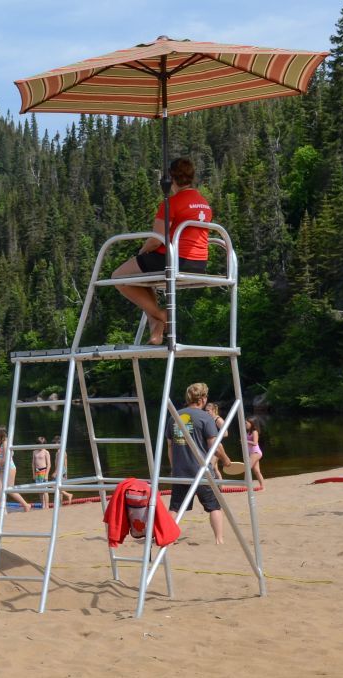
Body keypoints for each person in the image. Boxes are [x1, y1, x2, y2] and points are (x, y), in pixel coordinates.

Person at [110, 157, 213, 344]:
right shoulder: (204, 203)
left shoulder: (171, 203)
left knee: (119, 277)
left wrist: (142, 251)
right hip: (199, 263)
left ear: (170, 179)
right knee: (142, 278)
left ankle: (160, 315)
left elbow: (157, 239)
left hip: (173, 259)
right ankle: (156, 330)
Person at [167, 382, 235, 545]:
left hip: (180, 470)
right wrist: (226, 460)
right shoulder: (205, 417)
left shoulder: (174, 417)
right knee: (214, 506)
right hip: (201, 470)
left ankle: (167, 538)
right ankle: (219, 540)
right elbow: (215, 446)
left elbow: (170, 446)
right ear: (203, 399)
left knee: (175, 507)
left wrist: (173, 467)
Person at [0, 428, 32, 512]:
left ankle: (26, 505)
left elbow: (5, 458)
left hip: (9, 467)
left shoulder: (5, 443)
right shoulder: (2, 443)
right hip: (3, 468)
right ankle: (3, 510)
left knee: (9, 489)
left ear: (0, 433)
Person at [245, 418, 265, 490]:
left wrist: (245, 441)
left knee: (247, 468)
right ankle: (262, 487)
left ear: (251, 423)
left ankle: (246, 485)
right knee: (256, 471)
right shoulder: (249, 432)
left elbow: (255, 443)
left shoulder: (254, 431)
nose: (245, 425)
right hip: (252, 453)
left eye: (246, 423)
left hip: (256, 452)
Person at [31, 437, 51, 508]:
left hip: (44, 471)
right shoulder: (34, 452)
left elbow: (49, 464)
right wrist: (33, 473)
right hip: (37, 471)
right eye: (39, 444)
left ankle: (47, 505)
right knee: (39, 490)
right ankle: (43, 504)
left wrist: (46, 475)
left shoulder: (46, 452)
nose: (41, 446)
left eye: (42, 444)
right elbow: (33, 463)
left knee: (45, 489)